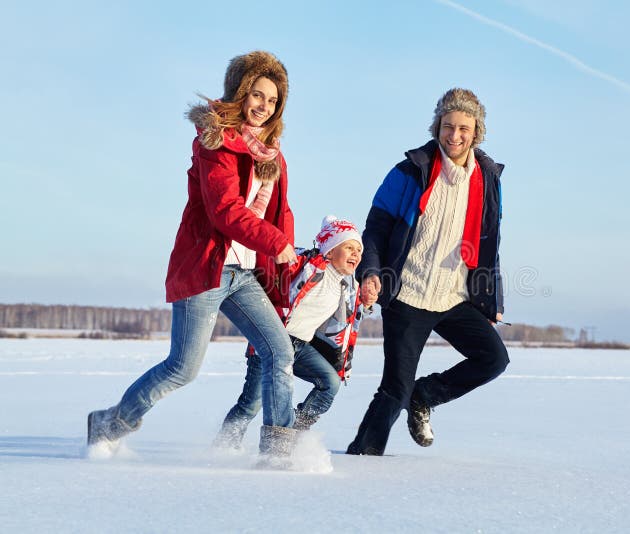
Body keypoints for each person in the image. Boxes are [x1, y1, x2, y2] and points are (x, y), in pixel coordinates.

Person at [87, 51, 300, 466]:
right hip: (207, 267)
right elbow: (224, 210)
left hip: (244, 273)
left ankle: (278, 454)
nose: (264, 106)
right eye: (256, 95)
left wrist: (283, 259)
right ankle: (109, 424)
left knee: (280, 352)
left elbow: (281, 212)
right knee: (182, 368)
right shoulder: (215, 142)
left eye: (272, 100)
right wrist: (275, 242)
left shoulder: (271, 154)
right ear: (239, 92)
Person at [346, 88, 509, 456]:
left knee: (493, 359)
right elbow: (376, 228)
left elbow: (489, 245)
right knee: (393, 390)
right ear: (437, 126)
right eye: (448, 126)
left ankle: (425, 395)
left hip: (454, 296)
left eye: (464, 127)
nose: (455, 135)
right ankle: (363, 457)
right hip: (409, 294)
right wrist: (371, 271)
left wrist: (490, 297)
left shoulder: (488, 182)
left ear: (476, 131)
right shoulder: (410, 171)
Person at [213, 216, 368, 449]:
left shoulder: (347, 285)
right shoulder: (305, 264)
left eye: (359, 249)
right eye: (349, 247)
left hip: (300, 347)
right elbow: (272, 263)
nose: (356, 253)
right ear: (330, 249)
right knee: (251, 404)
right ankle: (224, 446)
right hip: (269, 341)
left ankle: (293, 431)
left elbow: (350, 319)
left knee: (330, 382)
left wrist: (367, 297)